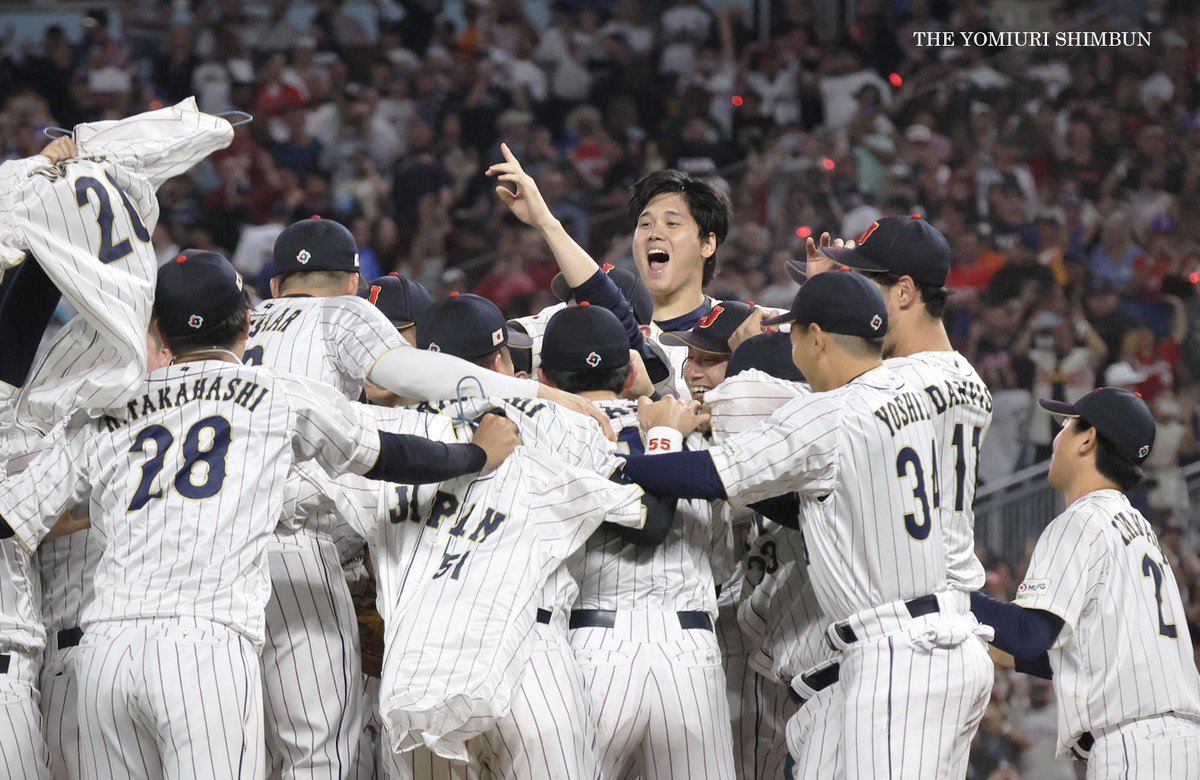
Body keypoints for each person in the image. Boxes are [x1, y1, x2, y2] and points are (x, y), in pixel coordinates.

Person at [0, 250, 520, 780]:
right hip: (204, 645)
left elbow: (12, 515)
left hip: (104, 652)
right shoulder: (276, 395)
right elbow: (387, 455)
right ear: (247, 321)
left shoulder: (106, 410)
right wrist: (476, 455)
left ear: (157, 332)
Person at [246, 217, 606, 780]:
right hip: (302, 551)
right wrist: (533, 389)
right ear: (352, 284)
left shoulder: (241, 322)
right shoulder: (341, 313)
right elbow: (409, 373)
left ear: (275, 285)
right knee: (318, 753)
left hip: (217, 551)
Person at [622, 270, 993, 779]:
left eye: (795, 335)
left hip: (899, 653)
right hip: (941, 639)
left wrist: (648, 444)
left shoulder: (831, 413)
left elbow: (706, 474)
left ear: (815, 336)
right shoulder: (915, 389)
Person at [535, 304, 737, 779]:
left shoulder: (546, 433)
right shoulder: (690, 429)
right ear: (630, 373)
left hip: (590, 645)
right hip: (691, 651)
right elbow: (725, 558)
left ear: (544, 375)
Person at [971, 387, 1200, 779]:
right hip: (1178, 743)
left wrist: (951, 596)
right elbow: (1090, 654)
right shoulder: (1140, 529)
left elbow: (1029, 633)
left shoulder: (1082, 520)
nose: (1058, 437)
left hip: (1133, 747)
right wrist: (994, 644)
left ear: (1088, 439)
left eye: (1066, 425)